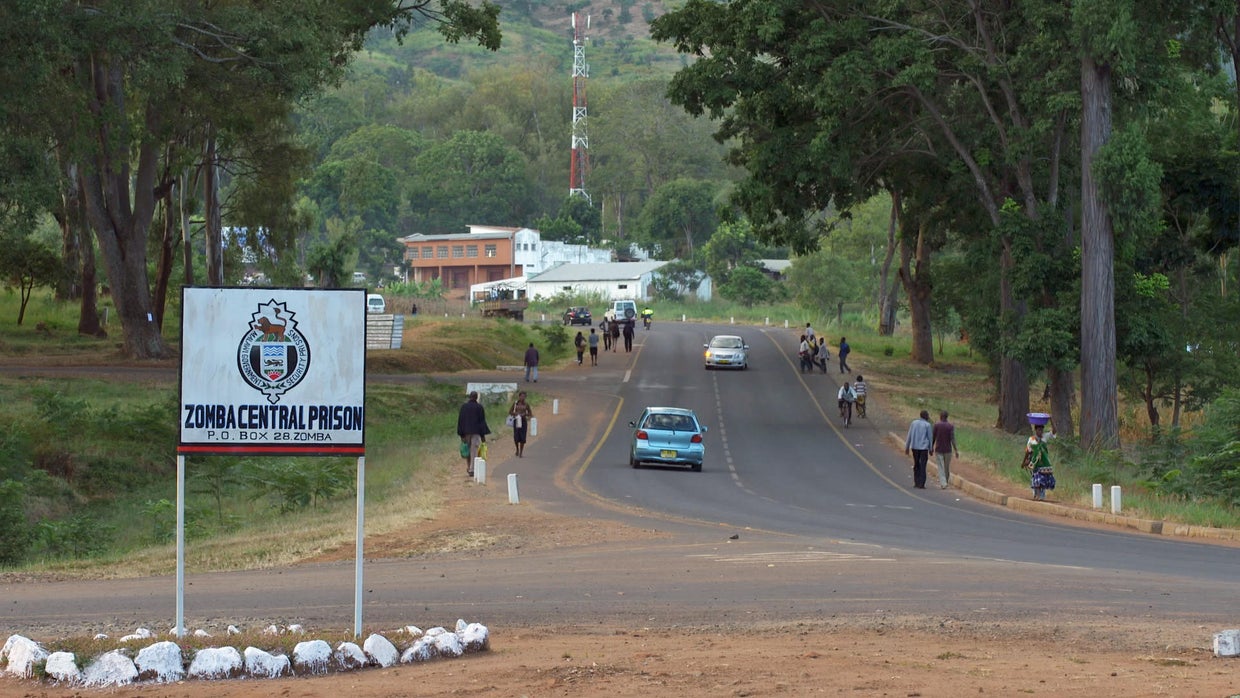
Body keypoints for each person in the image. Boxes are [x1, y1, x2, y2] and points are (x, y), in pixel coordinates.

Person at [456, 391, 491, 478]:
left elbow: (460, 421)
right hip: (476, 433)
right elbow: (482, 422)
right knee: (474, 451)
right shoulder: (479, 407)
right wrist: (483, 436)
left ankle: (469, 467)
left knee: (467, 451)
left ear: (470, 397)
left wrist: (461, 434)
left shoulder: (464, 407)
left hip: (466, 432)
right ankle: (472, 469)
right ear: (476, 397)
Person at [1027, 422, 1056, 500]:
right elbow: (1028, 451)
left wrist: (1051, 420)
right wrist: (1026, 461)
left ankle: (1041, 495)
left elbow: (1054, 432)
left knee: (1043, 479)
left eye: (1042, 430)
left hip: (1044, 462)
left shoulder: (1045, 437)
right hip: (1034, 462)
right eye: (1039, 430)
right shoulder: (1031, 439)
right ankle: (1036, 494)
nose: (1041, 432)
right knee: (1036, 478)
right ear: (1035, 430)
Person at [904, 410, 933, 488]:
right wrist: (931, 449)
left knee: (916, 464)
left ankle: (916, 482)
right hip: (923, 448)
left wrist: (907, 447)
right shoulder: (927, 425)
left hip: (915, 447)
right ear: (926, 416)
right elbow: (930, 438)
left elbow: (909, 435)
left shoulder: (914, 423)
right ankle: (922, 483)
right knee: (923, 465)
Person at [931, 410, 959, 489]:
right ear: (947, 417)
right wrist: (956, 450)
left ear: (940, 416)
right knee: (946, 467)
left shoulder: (936, 425)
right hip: (948, 450)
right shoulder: (950, 426)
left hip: (939, 449)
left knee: (941, 467)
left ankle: (943, 483)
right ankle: (945, 482)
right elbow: (952, 439)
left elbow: (933, 437)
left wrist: (931, 447)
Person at [508, 391, 533, 458]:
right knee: (516, 437)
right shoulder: (515, 404)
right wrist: (516, 414)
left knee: (522, 437)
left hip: (523, 421)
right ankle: (517, 449)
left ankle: (521, 452)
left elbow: (530, 413)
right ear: (519, 396)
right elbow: (510, 411)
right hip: (516, 421)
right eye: (521, 396)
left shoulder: (526, 404)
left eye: (524, 396)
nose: (522, 398)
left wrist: (525, 414)